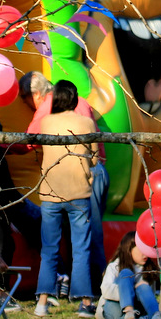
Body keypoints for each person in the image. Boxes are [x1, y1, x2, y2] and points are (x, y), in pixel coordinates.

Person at [20, 70, 109, 297]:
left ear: (38, 95)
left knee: (52, 245)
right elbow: (95, 156)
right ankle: (93, 291)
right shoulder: (86, 111)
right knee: (88, 239)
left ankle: (44, 297)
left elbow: (29, 140)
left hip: (58, 186)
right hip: (92, 176)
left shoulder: (46, 113)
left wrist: (1, 145)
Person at [33, 79, 100, 318]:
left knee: (49, 248)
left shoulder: (45, 122)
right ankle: (84, 302)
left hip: (50, 193)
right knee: (80, 248)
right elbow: (94, 158)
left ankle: (42, 302)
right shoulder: (86, 122)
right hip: (78, 192)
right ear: (73, 98)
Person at [96, 231, 161, 319]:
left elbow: (150, 296)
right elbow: (106, 290)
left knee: (142, 286)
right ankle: (129, 311)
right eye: (141, 249)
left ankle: (156, 317)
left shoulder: (148, 269)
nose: (145, 253)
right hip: (115, 305)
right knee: (126, 273)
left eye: (147, 249)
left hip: (138, 308)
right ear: (129, 249)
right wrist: (130, 290)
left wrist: (141, 288)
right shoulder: (115, 266)